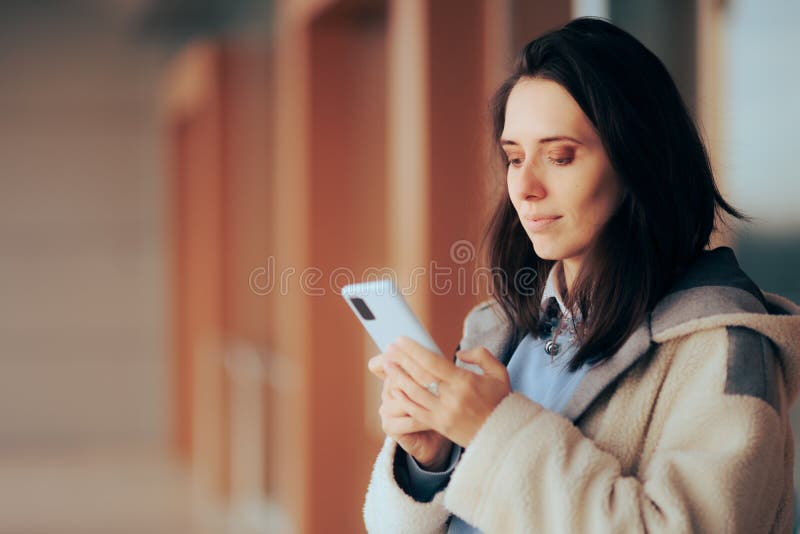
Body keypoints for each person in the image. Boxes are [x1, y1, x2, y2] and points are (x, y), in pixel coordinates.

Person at [362, 17, 800, 534]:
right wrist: (432, 462)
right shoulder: (498, 329)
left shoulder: (723, 346)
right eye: (514, 157)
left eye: (560, 156)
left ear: (637, 160)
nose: (524, 186)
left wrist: (491, 432)